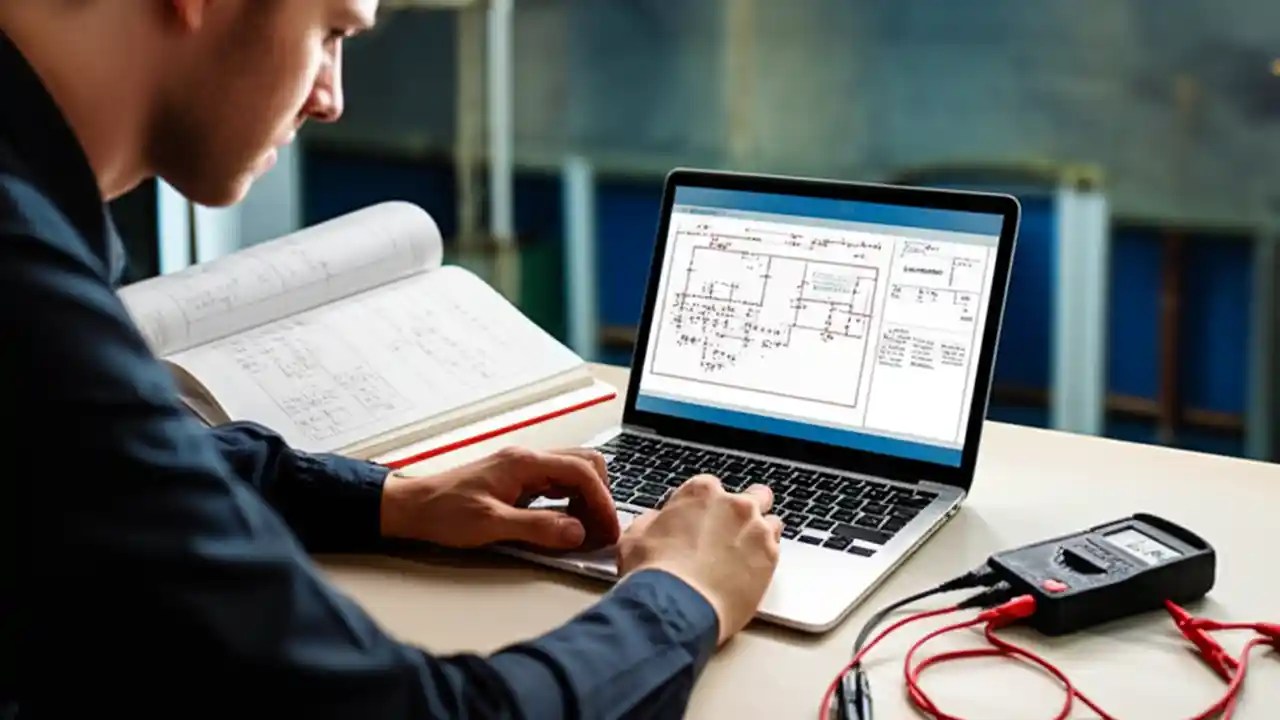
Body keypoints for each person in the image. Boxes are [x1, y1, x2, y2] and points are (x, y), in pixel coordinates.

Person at [0, 1, 784, 717]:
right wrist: (682, 592)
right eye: (330, 34)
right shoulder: (29, 299)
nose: (331, 98)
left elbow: (125, 464)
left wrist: (394, 500)